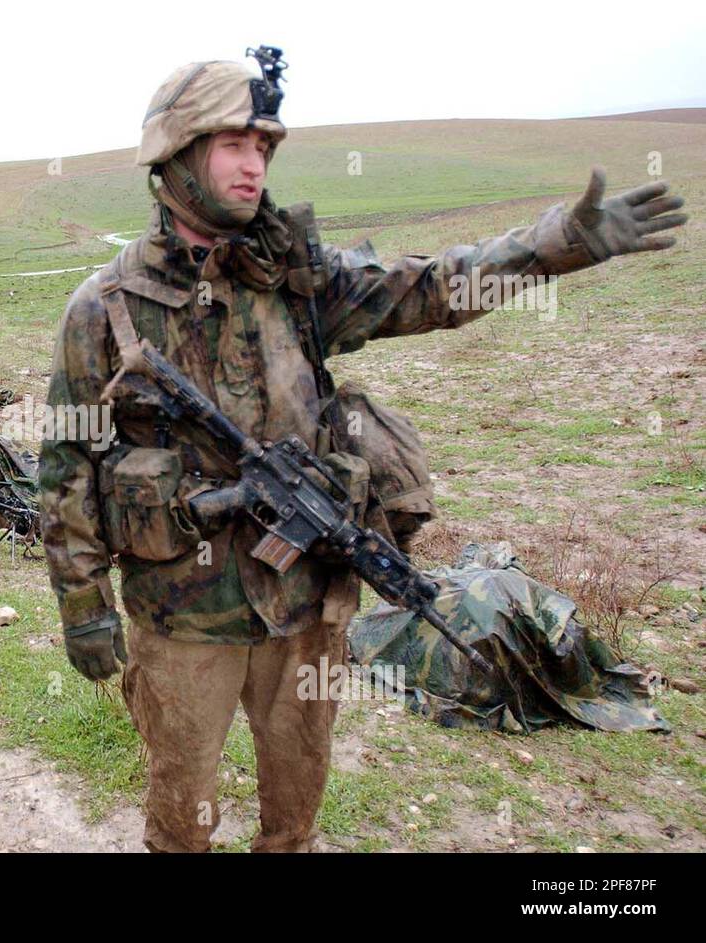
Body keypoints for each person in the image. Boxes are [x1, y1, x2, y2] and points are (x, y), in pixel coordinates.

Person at [38, 48, 687, 853]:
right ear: (174, 157)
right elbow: (67, 466)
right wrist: (82, 605)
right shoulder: (104, 308)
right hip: (180, 618)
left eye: (264, 148)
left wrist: (560, 243)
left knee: (297, 808)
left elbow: (434, 286)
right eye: (232, 145)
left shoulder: (302, 282)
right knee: (181, 817)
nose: (253, 166)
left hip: (307, 610)